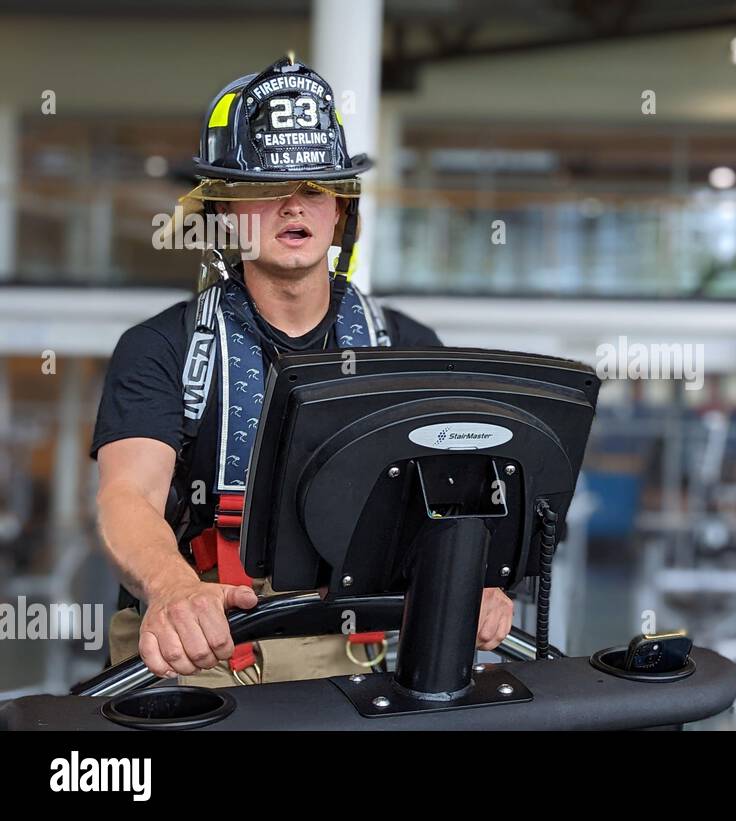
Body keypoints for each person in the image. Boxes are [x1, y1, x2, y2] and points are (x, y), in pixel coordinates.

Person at [92, 56, 514, 687]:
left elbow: (450, 495)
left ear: (341, 212)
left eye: (317, 189)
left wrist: (473, 577)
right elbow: (128, 496)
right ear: (226, 211)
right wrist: (173, 588)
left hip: (344, 640)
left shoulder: (401, 346)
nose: (296, 206)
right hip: (200, 636)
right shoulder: (163, 349)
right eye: (268, 189)